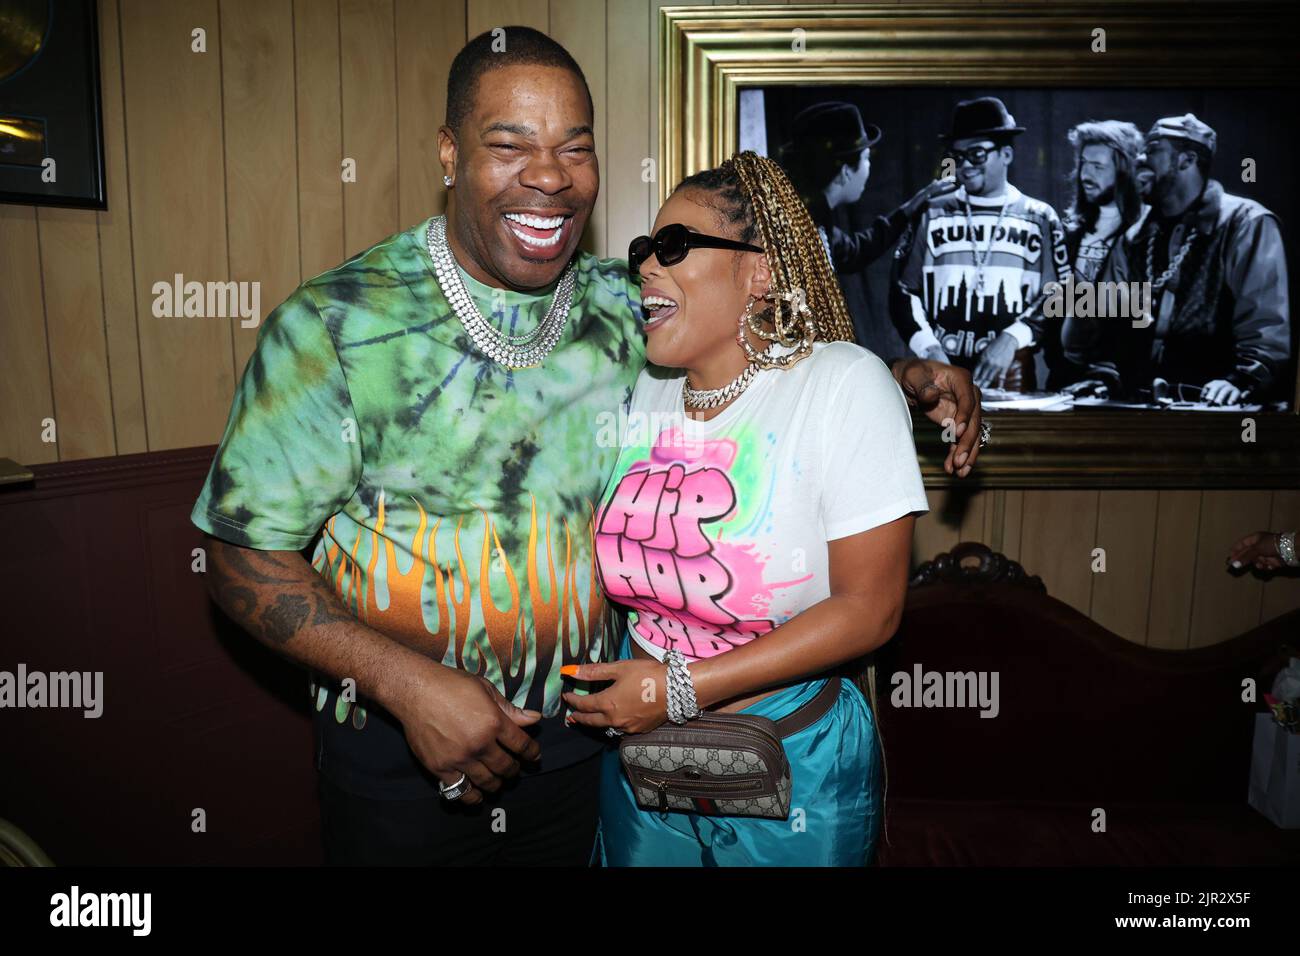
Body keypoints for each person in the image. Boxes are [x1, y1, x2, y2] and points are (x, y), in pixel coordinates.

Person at [191, 27, 984, 867]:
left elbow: (762, 354)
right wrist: (405, 685)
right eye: (511, 145)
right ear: (449, 154)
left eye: (575, 147)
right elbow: (239, 560)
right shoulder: (335, 326)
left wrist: (903, 374)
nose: (549, 175)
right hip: (403, 759)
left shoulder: (625, 306)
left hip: (595, 750)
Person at [562, 152, 928, 866]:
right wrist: (658, 701)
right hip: (649, 761)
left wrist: (676, 689)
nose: (644, 267)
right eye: (643, 250)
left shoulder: (843, 385)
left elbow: (870, 610)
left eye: (673, 247)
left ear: (758, 271)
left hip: (795, 768)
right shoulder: (646, 388)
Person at [1072, 113, 1290, 406]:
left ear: (1186, 160)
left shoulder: (1245, 223)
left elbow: (1266, 326)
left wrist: (1242, 379)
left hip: (1215, 409)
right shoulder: (1135, 237)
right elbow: (1108, 328)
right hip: (1140, 408)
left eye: (1153, 150)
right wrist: (1102, 376)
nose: (1139, 159)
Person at [894, 96, 1070, 392]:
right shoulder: (931, 212)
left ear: (1006, 155)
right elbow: (902, 291)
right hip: (940, 372)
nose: (965, 166)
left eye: (976, 154)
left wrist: (1015, 336)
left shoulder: (1040, 217)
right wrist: (929, 349)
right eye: (958, 156)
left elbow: (1060, 293)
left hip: (1010, 372)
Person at [1051, 119, 1147, 391]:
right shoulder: (1069, 233)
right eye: (1083, 163)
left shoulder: (1145, 236)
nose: (1084, 174)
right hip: (1064, 381)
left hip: (1121, 386)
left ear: (1124, 171)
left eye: (1098, 166)